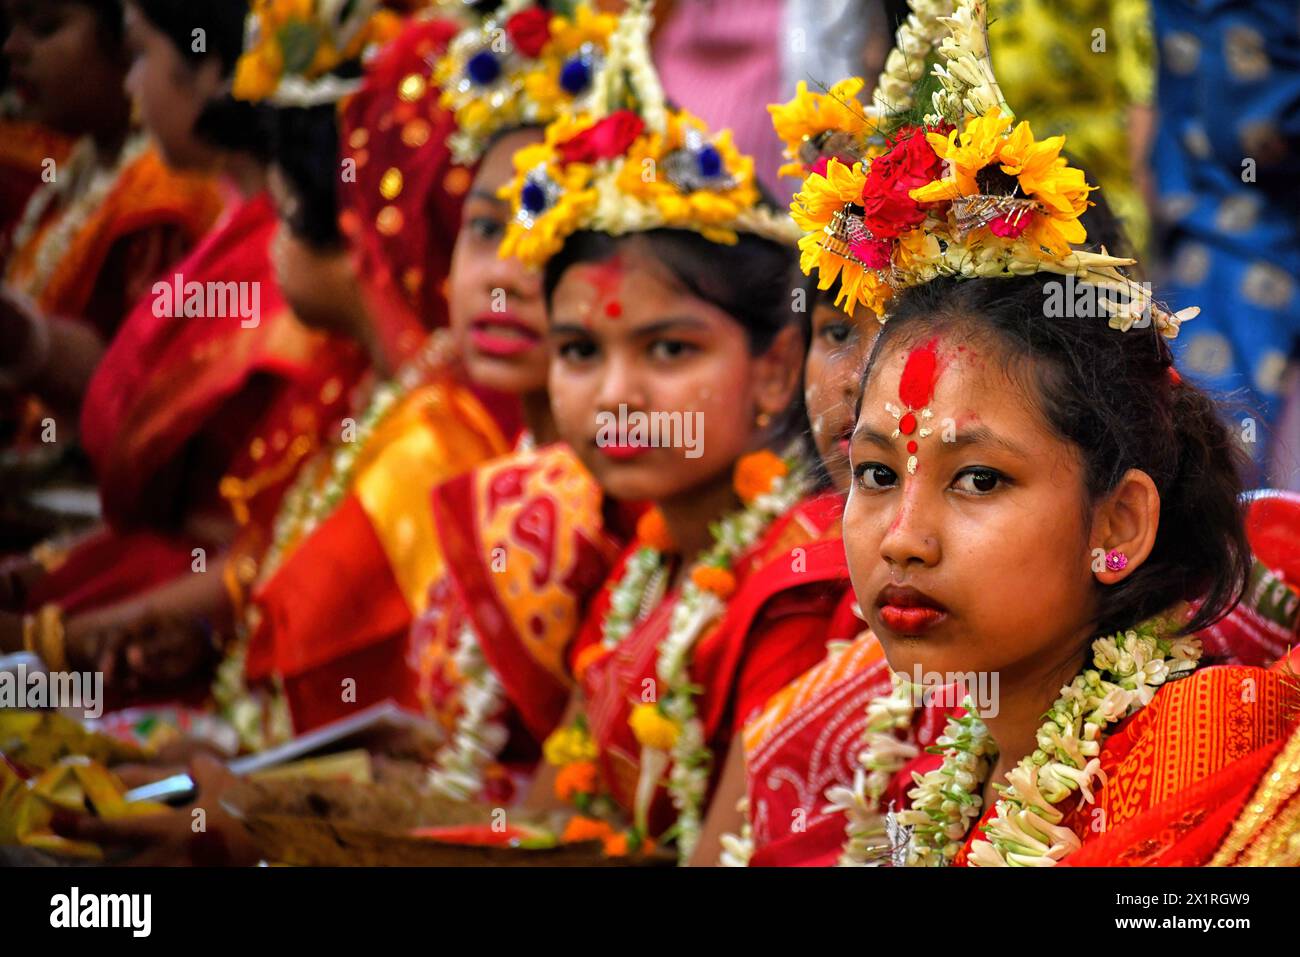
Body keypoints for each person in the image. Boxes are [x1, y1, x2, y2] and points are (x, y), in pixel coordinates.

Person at [735, 0, 1299, 867]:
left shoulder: (1209, 758)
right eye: (877, 474)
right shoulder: (925, 781)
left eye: (979, 480)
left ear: (1118, 525)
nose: (905, 540)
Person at [464, 2, 851, 864]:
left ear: (774, 367)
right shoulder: (643, 567)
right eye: (578, 351)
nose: (617, 396)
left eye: (668, 349)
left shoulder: (799, 585)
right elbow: (548, 828)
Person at [0, 0, 367, 716]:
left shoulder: (291, 275)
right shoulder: (241, 230)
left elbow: (274, 540)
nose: (133, 86)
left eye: (141, 54)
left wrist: (59, 640)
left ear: (213, 71)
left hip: (189, 623)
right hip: (146, 589)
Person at [0, 0, 222, 425]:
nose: (12, 47)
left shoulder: (163, 197)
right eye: (10, 26)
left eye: (44, 27)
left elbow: (148, 395)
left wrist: (24, 341)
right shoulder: (80, 169)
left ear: (126, 38)